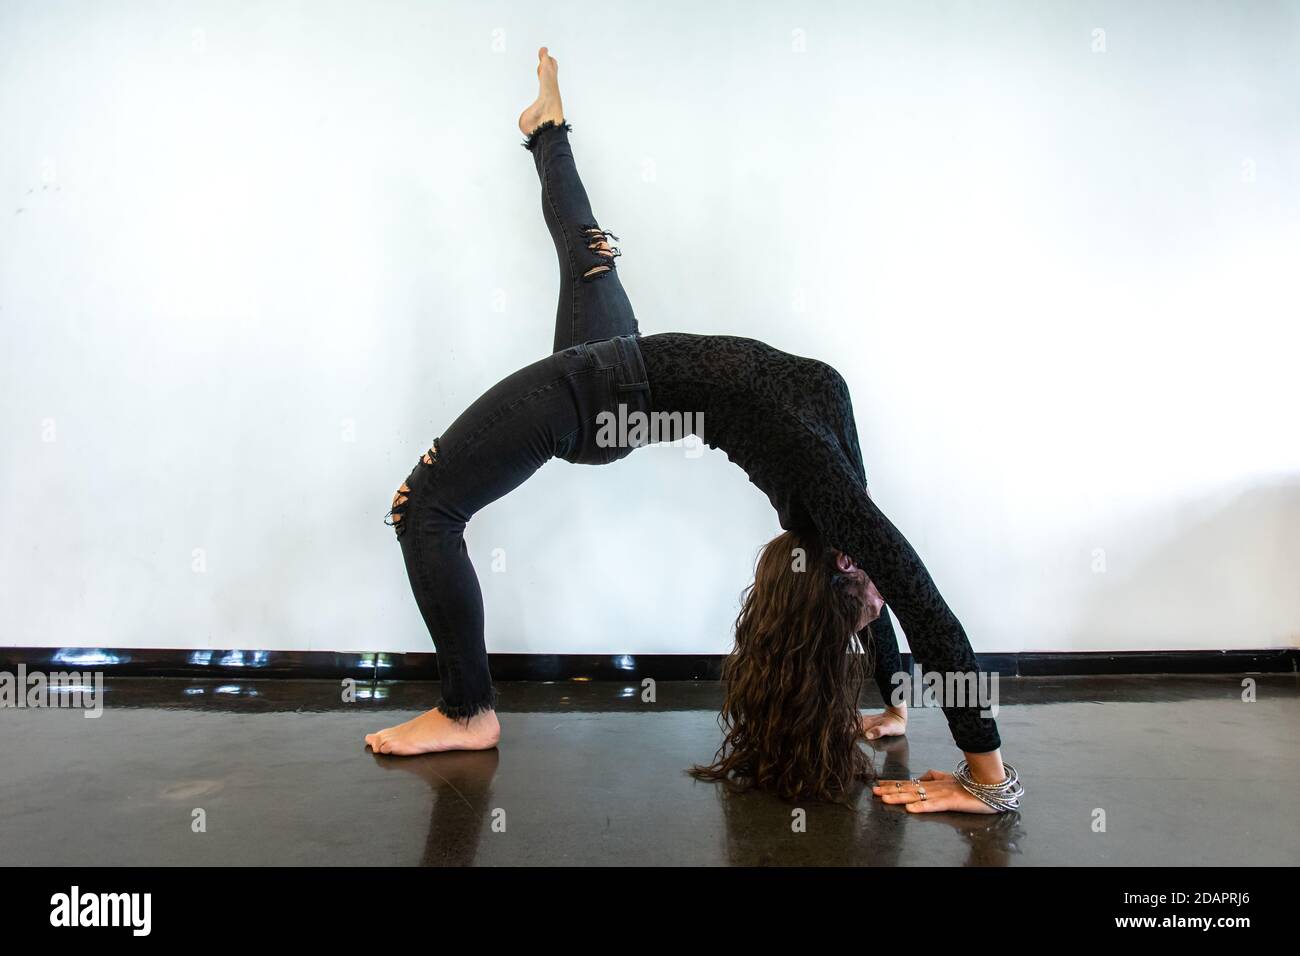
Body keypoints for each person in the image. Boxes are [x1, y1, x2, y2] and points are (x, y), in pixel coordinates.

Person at [369, 48, 1022, 814]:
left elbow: (910, 595)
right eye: (871, 609)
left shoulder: (828, 499)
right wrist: (898, 705)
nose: (880, 601)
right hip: (626, 382)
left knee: (424, 510)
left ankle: (467, 711)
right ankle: (548, 129)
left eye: (864, 607)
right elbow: (906, 593)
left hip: (597, 398)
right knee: (587, 258)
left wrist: (991, 778)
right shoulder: (842, 505)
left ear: (841, 578)